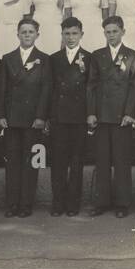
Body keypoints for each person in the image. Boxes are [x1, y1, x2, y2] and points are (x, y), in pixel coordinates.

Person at [0, 18, 52, 218]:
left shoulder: (45, 59)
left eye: (30, 32)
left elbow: (46, 89)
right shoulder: (8, 58)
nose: (27, 35)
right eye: (23, 32)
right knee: (12, 162)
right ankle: (12, 204)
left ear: (37, 34)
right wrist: (1, 115)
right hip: (12, 119)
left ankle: (26, 204)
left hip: (33, 120)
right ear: (17, 34)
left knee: (32, 162)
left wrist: (41, 117)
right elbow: (2, 89)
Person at [89, 16, 135, 218]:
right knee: (102, 161)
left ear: (123, 32)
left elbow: (134, 87)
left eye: (115, 31)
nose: (111, 35)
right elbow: (91, 86)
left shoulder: (132, 56)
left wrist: (129, 113)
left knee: (121, 161)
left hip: (121, 117)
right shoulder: (97, 55)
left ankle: (122, 203)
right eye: (108, 32)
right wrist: (91, 112)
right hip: (101, 115)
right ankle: (101, 202)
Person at [47, 17, 95, 217]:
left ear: (81, 34)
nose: (71, 37)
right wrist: (49, 117)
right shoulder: (54, 58)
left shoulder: (89, 58)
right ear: (62, 35)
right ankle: (58, 203)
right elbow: (49, 89)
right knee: (58, 162)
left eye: (74, 33)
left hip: (79, 118)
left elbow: (91, 88)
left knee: (76, 162)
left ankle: (73, 204)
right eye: (67, 34)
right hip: (59, 117)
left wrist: (91, 114)